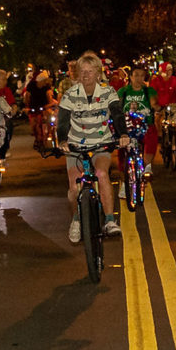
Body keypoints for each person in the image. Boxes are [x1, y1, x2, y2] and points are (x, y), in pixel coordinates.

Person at [56, 52, 129, 241]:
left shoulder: (108, 92)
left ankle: (110, 220)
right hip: (75, 146)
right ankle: (76, 220)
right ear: (78, 74)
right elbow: (63, 121)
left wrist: (122, 134)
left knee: (102, 174)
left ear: (99, 74)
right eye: (83, 72)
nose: (86, 75)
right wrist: (62, 140)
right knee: (74, 186)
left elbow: (117, 114)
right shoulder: (70, 94)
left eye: (90, 71)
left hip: (101, 144)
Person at [116, 66, 158, 198]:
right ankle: (124, 184)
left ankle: (147, 165)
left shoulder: (148, 91)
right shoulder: (123, 91)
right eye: (136, 75)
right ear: (131, 77)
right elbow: (117, 107)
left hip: (145, 124)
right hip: (127, 126)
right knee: (122, 151)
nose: (139, 78)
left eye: (142, 75)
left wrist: (156, 107)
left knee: (151, 136)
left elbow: (153, 103)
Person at [24, 70, 56, 149]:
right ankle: (37, 138)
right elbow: (27, 97)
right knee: (34, 124)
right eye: (44, 80)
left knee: (51, 118)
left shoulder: (46, 87)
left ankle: (50, 132)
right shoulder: (31, 85)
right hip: (34, 107)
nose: (45, 82)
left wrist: (50, 104)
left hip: (45, 106)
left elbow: (50, 96)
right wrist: (27, 107)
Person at [0, 69, 16, 160]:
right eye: (3, 79)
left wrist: (13, 111)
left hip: (3, 117)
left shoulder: (6, 91)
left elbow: (13, 104)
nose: (5, 82)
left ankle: (5, 149)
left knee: (8, 126)